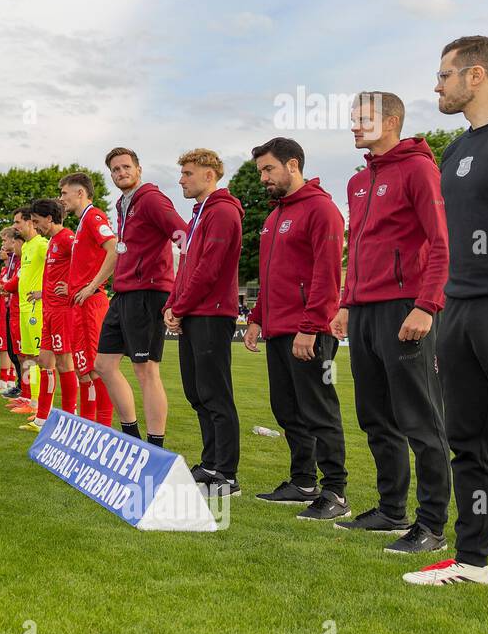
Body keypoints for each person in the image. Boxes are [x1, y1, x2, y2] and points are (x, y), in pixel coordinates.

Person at [404, 38, 488, 629]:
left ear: (475, 75)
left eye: (444, 75)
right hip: (461, 312)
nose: (437, 86)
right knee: (469, 441)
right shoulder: (455, 150)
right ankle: (473, 559)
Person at [329, 93, 449, 553]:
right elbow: (355, 247)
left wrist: (427, 304)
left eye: (363, 119)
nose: (354, 127)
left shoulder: (419, 168)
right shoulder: (358, 181)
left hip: (406, 307)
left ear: (392, 121)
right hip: (362, 310)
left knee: (419, 418)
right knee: (375, 416)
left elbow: (440, 241)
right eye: (353, 119)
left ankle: (432, 524)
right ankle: (390, 510)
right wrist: (345, 302)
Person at [244, 137, 349, 520]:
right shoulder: (274, 216)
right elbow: (271, 277)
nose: (263, 178)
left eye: (268, 169)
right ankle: (303, 481)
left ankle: (335, 491)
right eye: (260, 171)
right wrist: (256, 317)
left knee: (319, 409)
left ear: (293, 165)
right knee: (286, 408)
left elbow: (327, 274)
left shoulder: (322, 210)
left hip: (310, 331)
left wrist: (311, 326)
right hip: (279, 329)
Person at [162, 150, 244, 497]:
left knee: (215, 394)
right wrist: (172, 304)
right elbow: (188, 269)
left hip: (212, 313)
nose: (181, 179)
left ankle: (227, 474)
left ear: (210, 175)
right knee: (197, 392)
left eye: (188, 173)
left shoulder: (223, 211)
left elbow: (209, 270)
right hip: (195, 312)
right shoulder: (200, 214)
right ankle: (210, 464)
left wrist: (179, 307)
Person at [96, 148, 187, 447]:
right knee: (104, 364)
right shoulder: (123, 203)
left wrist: (178, 288)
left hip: (148, 292)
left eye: (125, 167)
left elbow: (183, 236)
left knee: (146, 370)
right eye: (115, 169)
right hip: (123, 293)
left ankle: (154, 445)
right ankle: (131, 436)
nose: (120, 172)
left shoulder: (151, 198)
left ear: (139, 169)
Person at [58, 172, 117, 424]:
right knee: (85, 370)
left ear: (80, 193)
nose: (61, 199)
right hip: (79, 305)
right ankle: (87, 426)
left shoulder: (93, 216)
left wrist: (92, 286)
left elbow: (114, 248)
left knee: (99, 370)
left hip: (91, 305)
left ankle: (102, 429)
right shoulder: (82, 223)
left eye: (64, 193)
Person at [19, 199, 76, 430]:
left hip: (63, 311)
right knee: (44, 362)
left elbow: (91, 259)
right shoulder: (52, 242)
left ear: (49, 218)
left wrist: (73, 286)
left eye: (36, 221)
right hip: (48, 311)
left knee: (64, 363)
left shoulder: (67, 238)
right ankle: (42, 418)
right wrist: (44, 292)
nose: (35, 225)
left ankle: (71, 418)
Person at [0, 206, 47, 417]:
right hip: (24, 309)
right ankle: (29, 398)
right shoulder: (28, 247)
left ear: (30, 222)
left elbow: (62, 266)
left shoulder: (42, 244)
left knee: (38, 359)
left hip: (36, 309)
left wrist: (44, 291)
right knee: (26, 356)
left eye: (18, 222)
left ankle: (38, 403)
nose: (15, 226)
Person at [0, 233, 20, 394]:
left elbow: (1, 287)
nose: (0, 250)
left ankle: (9, 382)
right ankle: (8, 381)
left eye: (2, 246)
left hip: (12, 310)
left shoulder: (13, 268)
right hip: (3, 311)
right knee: (5, 348)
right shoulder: (4, 270)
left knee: (11, 349)